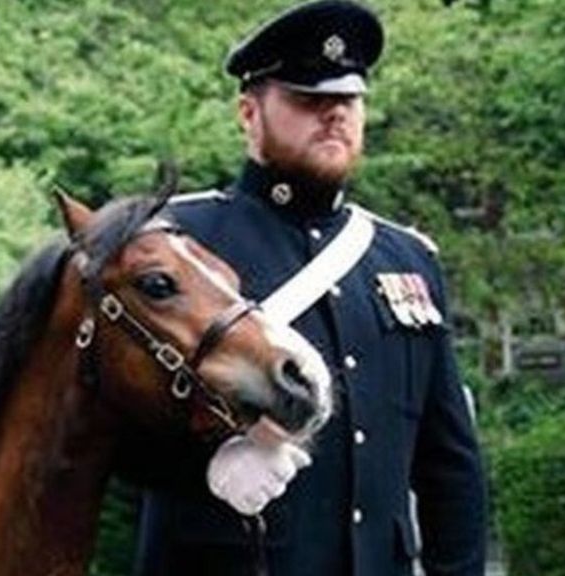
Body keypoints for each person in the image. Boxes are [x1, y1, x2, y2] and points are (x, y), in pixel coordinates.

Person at [133, 1, 487, 575]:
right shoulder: (175, 245)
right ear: (249, 113)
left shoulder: (405, 258)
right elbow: (98, 431)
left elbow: (449, 463)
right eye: (307, 100)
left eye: (347, 100)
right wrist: (203, 464)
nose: (334, 115)